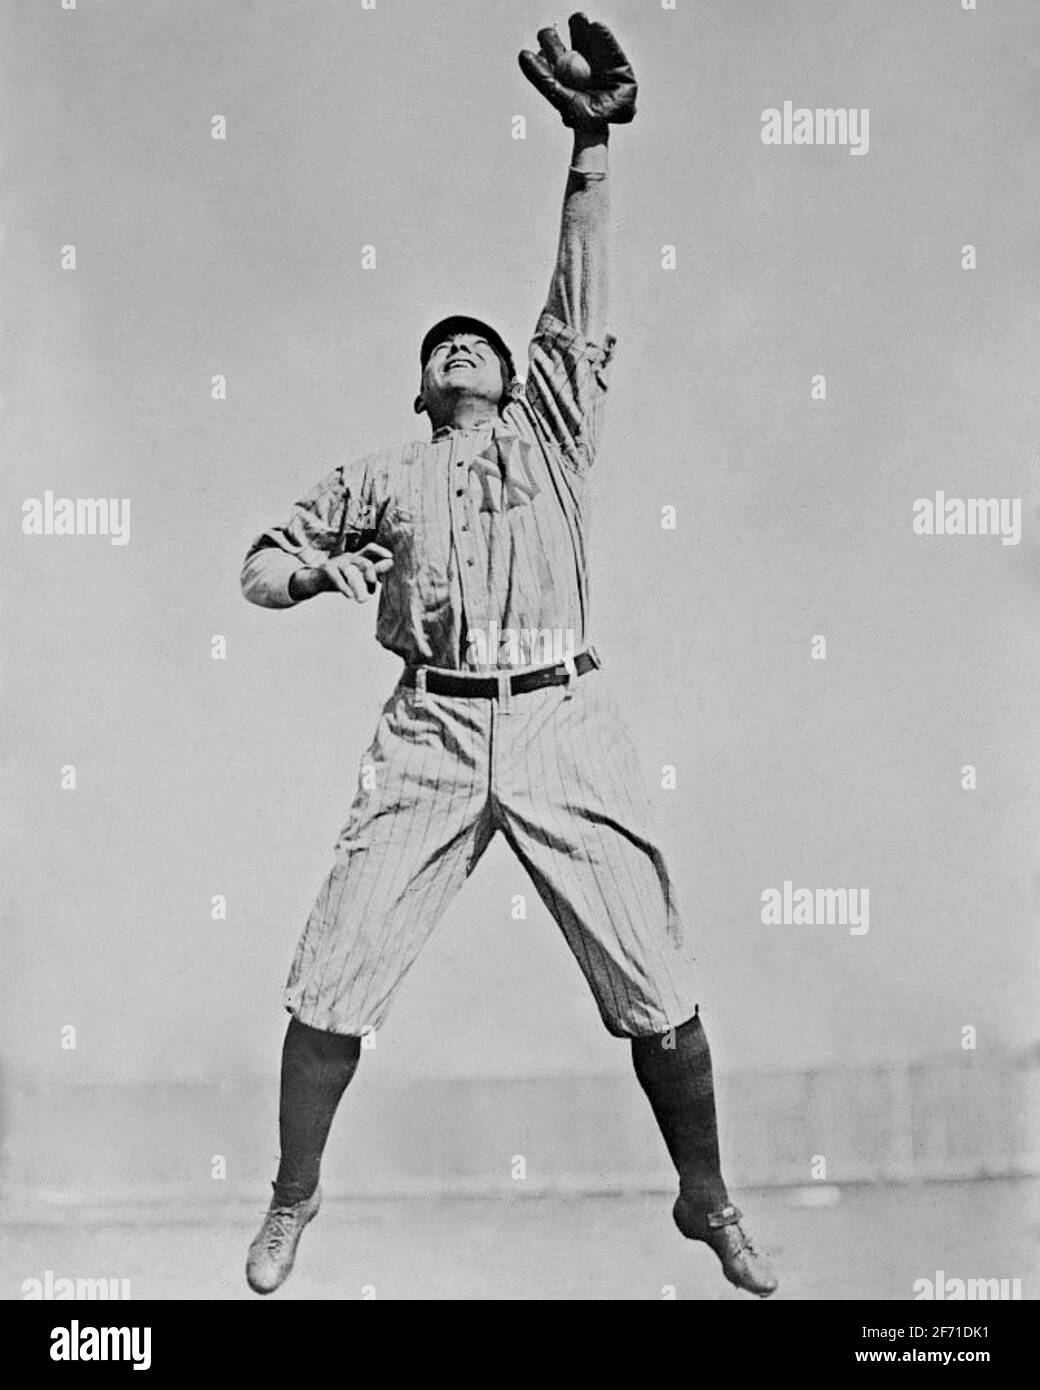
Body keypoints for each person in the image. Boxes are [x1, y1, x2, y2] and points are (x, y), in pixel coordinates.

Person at [240, 13, 778, 1300]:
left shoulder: (551, 436)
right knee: (333, 972)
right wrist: (310, 574)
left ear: (512, 373)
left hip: (559, 714)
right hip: (427, 727)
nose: (461, 349)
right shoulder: (382, 474)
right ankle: (292, 1195)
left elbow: (575, 298)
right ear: (420, 389)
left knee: (654, 976)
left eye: (478, 341)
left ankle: (705, 1198)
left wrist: (589, 145)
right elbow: (258, 563)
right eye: (441, 348)